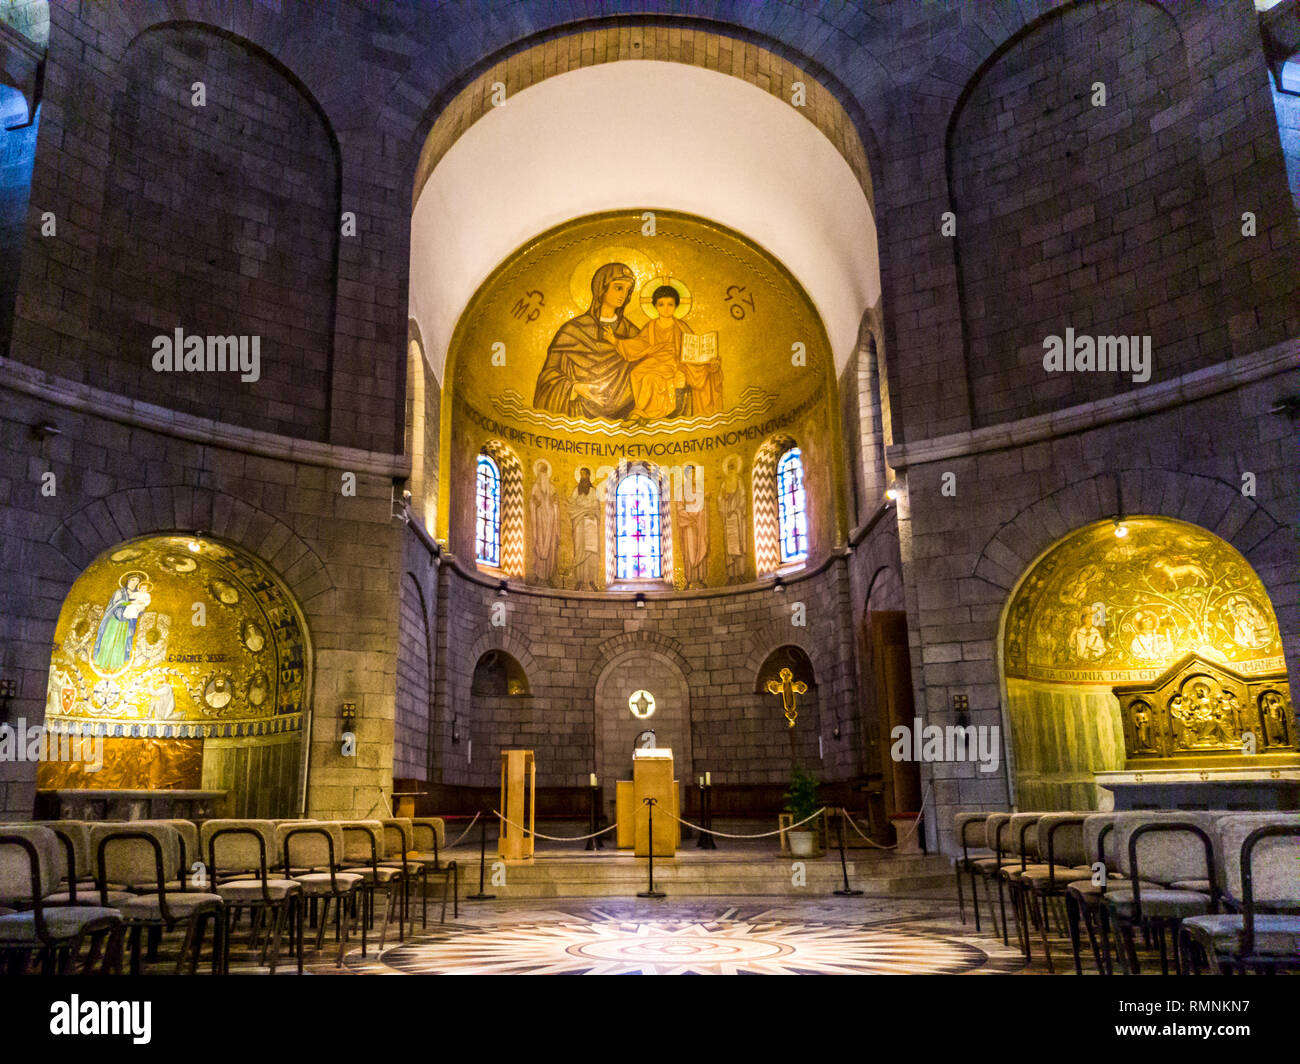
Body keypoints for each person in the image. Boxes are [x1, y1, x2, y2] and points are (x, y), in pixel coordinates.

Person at [533, 264, 639, 418]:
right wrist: (574, 387)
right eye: (618, 287)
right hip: (581, 413)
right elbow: (548, 376)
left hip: (626, 416)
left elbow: (650, 363)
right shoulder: (573, 331)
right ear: (601, 288)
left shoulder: (631, 332)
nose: (623, 294)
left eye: (627, 289)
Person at [568, 467, 601, 590]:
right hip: (579, 522)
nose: (583, 477)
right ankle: (579, 579)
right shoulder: (576, 490)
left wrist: (590, 510)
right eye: (581, 475)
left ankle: (591, 580)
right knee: (579, 547)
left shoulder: (593, 491)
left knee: (591, 551)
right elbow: (571, 504)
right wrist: (583, 508)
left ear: (588, 476)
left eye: (585, 475)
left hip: (591, 523)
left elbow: (597, 507)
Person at [531, 459, 560, 585]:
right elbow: (531, 503)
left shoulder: (552, 488)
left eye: (545, 471)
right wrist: (534, 505)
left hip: (550, 520)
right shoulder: (535, 488)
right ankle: (538, 574)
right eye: (541, 471)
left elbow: (556, 504)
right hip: (538, 519)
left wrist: (555, 505)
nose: (543, 474)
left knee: (550, 546)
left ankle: (548, 575)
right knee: (539, 543)